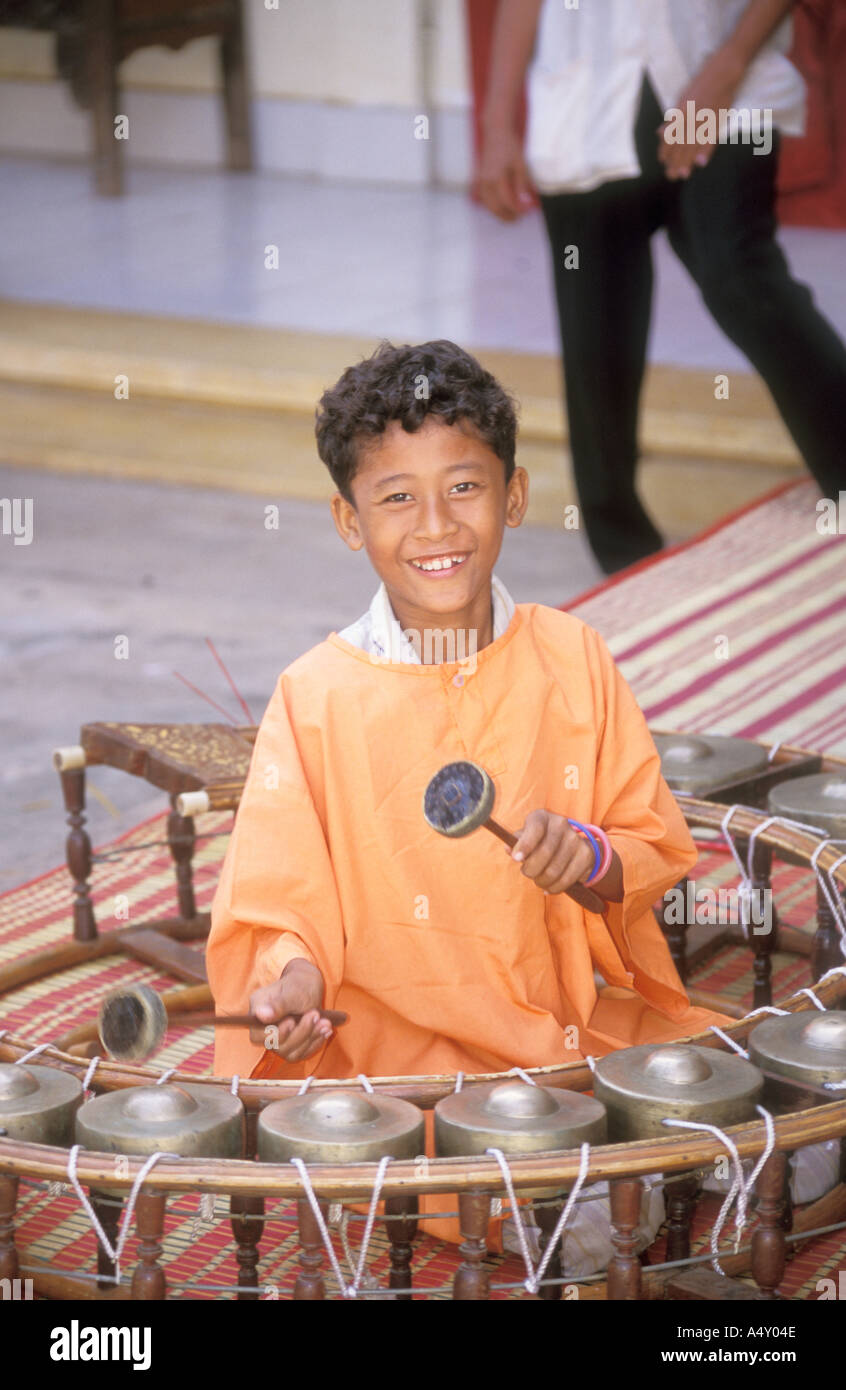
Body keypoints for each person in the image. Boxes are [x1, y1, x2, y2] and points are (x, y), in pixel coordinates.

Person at [207, 338, 725, 1089]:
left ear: (513, 496)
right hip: (393, 1064)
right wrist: (294, 982)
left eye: (462, 488)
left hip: (562, 1024)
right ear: (349, 521)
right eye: (395, 497)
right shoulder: (314, 695)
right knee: (484, 1188)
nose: (435, 526)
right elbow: (275, 897)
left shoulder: (570, 654)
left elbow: (649, 846)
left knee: (763, 1103)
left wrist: (588, 855)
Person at [479, 0, 846, 574]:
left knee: (740, 277)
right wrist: (497, 125)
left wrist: (726, 66)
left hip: (725, 84)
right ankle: (624, 554)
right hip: (585, 101)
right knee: (596, 328)